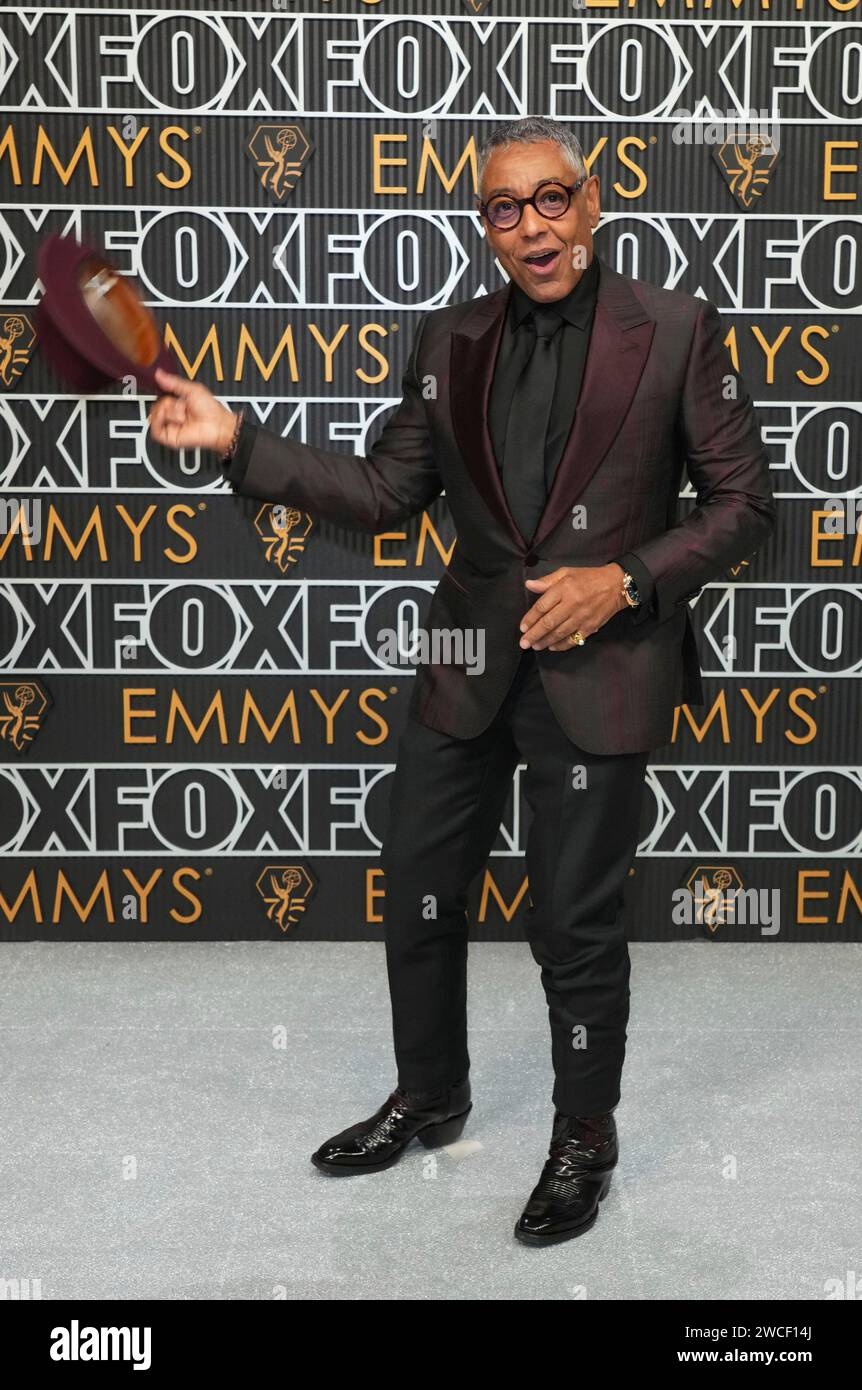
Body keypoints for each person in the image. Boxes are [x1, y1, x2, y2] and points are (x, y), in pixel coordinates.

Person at [148, 115, 775, 1246]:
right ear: (482, 224)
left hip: (603, 661)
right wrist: (238, 439)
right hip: (463, 653)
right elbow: (390, 494)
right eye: (502, 206)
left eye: (550, 198)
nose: (530, 224)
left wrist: (623, 580)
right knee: (419, 893)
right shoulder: (448, 336)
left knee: (573, 923)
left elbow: (743, 508)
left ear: (590, 204)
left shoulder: (675, 329)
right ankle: (430, 1096)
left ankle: (586, 1133)